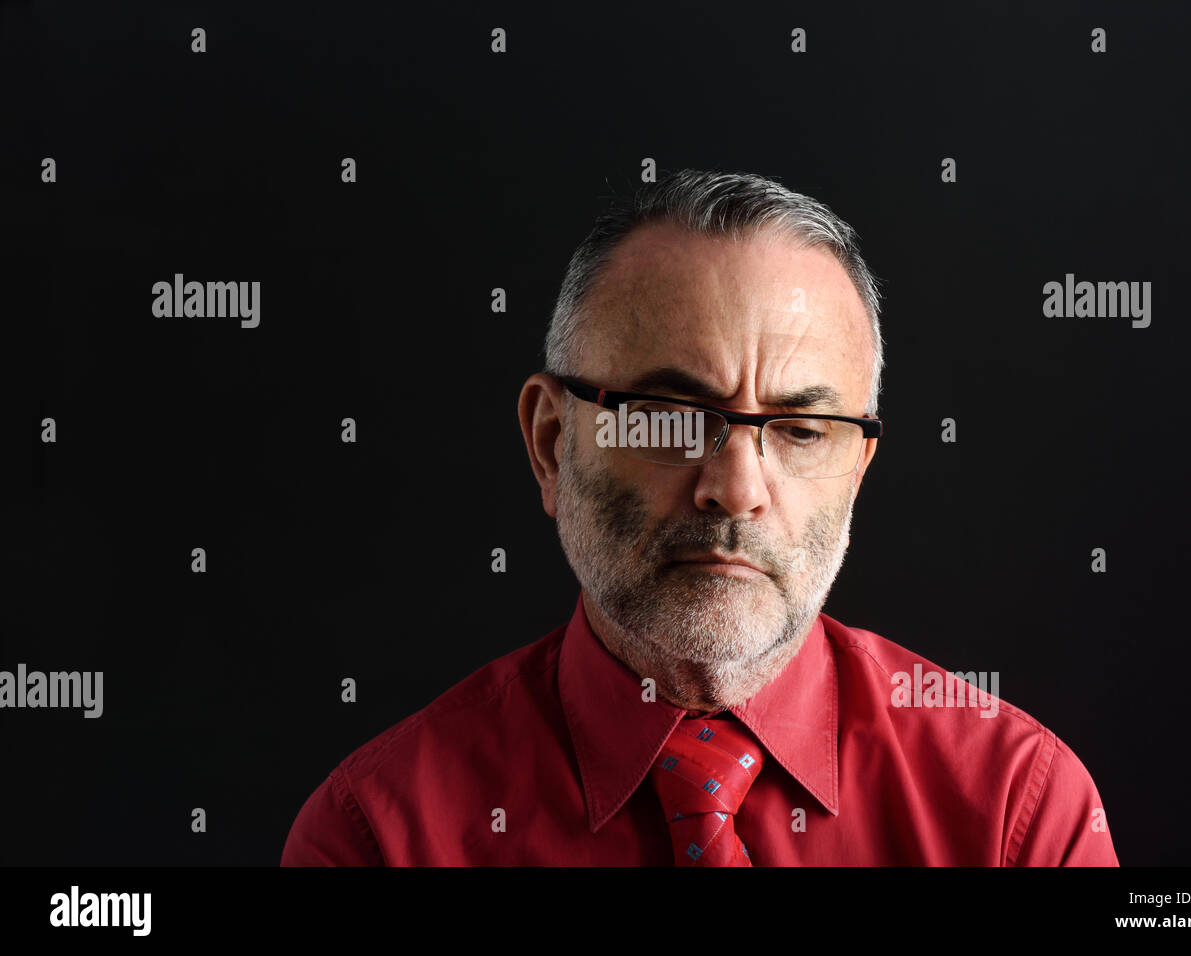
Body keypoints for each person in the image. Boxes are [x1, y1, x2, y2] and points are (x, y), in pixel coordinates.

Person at [281, 169, 1119, 866]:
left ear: (858, 470)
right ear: (549, 443)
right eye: (669, 418)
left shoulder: (1018, 814)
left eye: (800, 428)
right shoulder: (378, 839)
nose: (737, 487)